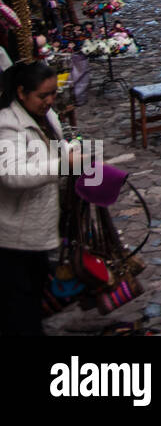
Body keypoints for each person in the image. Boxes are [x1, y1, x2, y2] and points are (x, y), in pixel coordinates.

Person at [0, 61, 76, 336]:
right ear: (21, 93)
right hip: (14, 237)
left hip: (39, 229)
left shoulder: (46, 116)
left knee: (33, 297)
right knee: (20, 307)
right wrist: (64, 166)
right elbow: (12, 174)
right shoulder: (7, 127)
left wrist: (84, 159)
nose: (49, 100)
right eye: (43, 95)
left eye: (52, 93)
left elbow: (58, 148)